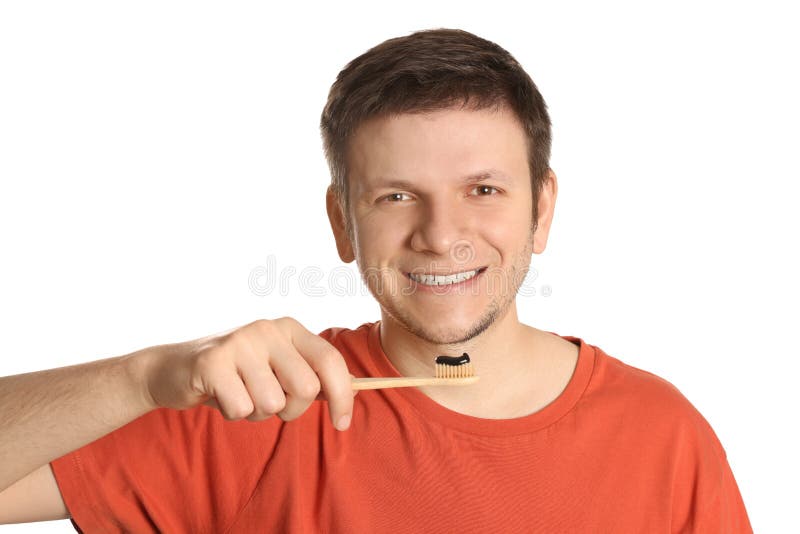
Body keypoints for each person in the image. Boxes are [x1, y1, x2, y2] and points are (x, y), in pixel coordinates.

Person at [0, 28, 752, 532]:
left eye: (482, 190)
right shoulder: (258, 406)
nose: (441, 234)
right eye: (396, 196)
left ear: (542, 207)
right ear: (341, 222)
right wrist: (141, 377)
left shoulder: (664, 437)